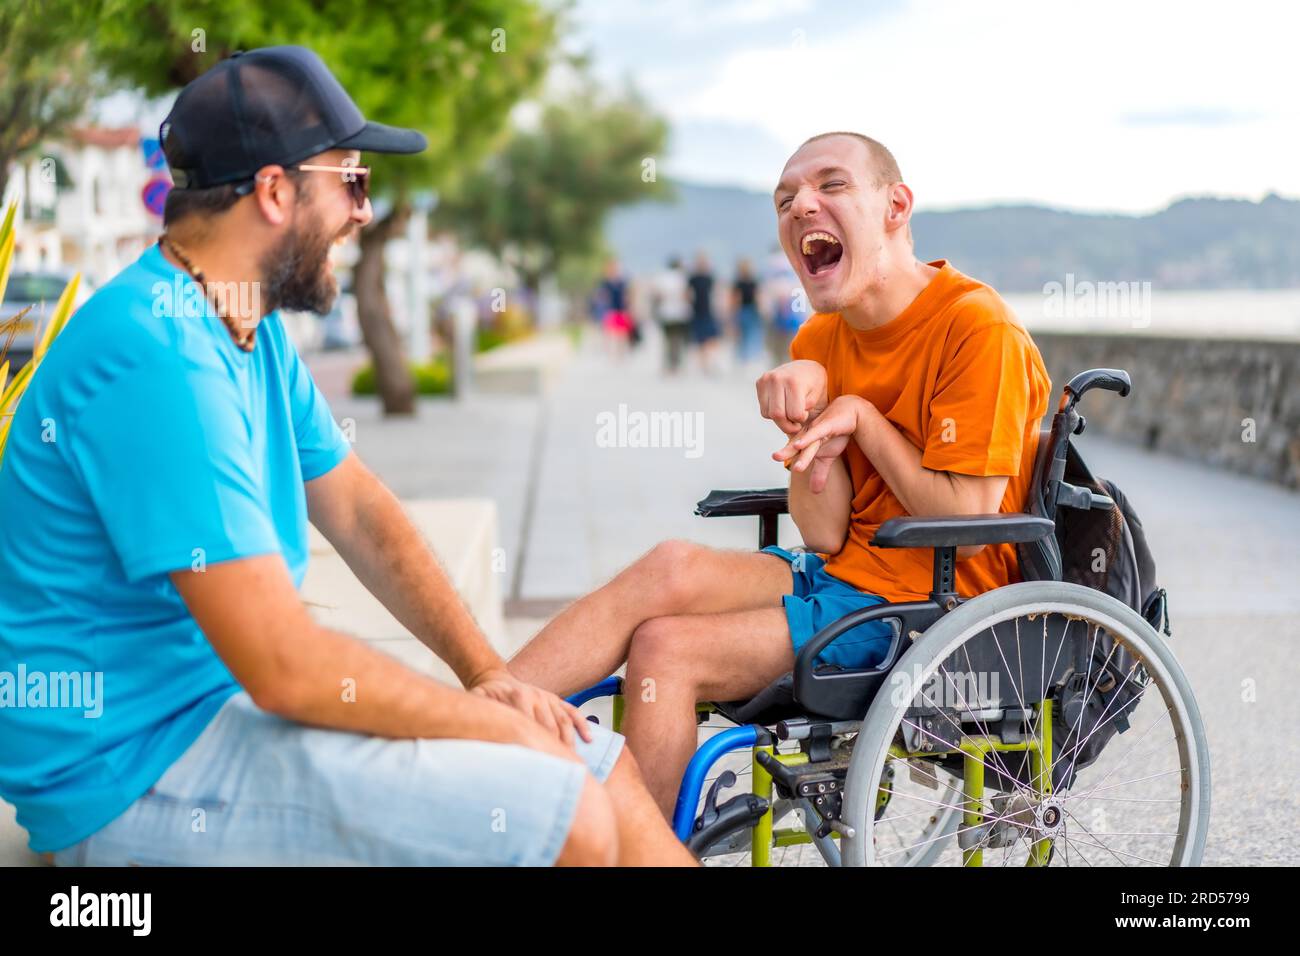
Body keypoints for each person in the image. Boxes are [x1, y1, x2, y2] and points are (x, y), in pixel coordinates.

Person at [0, 45, 693, 867]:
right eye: (352, 183)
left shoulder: (243, 327)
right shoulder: (157, 352)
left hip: (212, 718)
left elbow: (359, 509)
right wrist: (492, 726)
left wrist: (488, 678)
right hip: (131, 773)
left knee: (591, 763)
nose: (365, 213)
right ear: (274, 190)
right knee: (565, 809)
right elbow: (286, 668)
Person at [508, 131, 1052, 814]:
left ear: (896, 205)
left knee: (666, 650)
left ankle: (639, 853)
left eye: (831, 185)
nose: (802, 207)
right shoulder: (821, 338)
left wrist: (861, 418)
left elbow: (970, 533)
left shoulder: (977, 328)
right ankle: (472, 718)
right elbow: (824, 535)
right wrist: (808, 428)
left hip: (939, 609)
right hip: (846, 576)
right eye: (785, 198)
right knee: (670, 566)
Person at [649, 255, 691, 374]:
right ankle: (675, 365)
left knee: (666, 340)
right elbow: (687, 296)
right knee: (677, 340)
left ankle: (666, 365)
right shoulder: (682, 278)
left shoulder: (662, 278)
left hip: (665, 313)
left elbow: (656, 295)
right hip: (679, 314)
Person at [687, 251, 720, 372]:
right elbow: (688, 294)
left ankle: (708, 362)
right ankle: (704, 364)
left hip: (707, 311)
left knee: (710, 339)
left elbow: (715, 294)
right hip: (698, 311)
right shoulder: (694, 278)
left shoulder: (708, 278)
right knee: (701, 340)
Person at [597, 259, 633, 358]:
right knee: (611, 333)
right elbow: (602, 295)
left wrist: (628, 307)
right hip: (610, 310)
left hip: (621, 309)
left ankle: (620, 353)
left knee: (622, 333)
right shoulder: (605, 282)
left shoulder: (622, 282)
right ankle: (612, 353)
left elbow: (627, 296)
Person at [731, 257, 763, 364]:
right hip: (745, 309)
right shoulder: (744, 282)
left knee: (747, 334)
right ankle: (745, 357)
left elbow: (756, 296)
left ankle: (746, 357)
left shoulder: (745, 282)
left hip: (748, 309)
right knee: (746, 334)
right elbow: (737, 298)